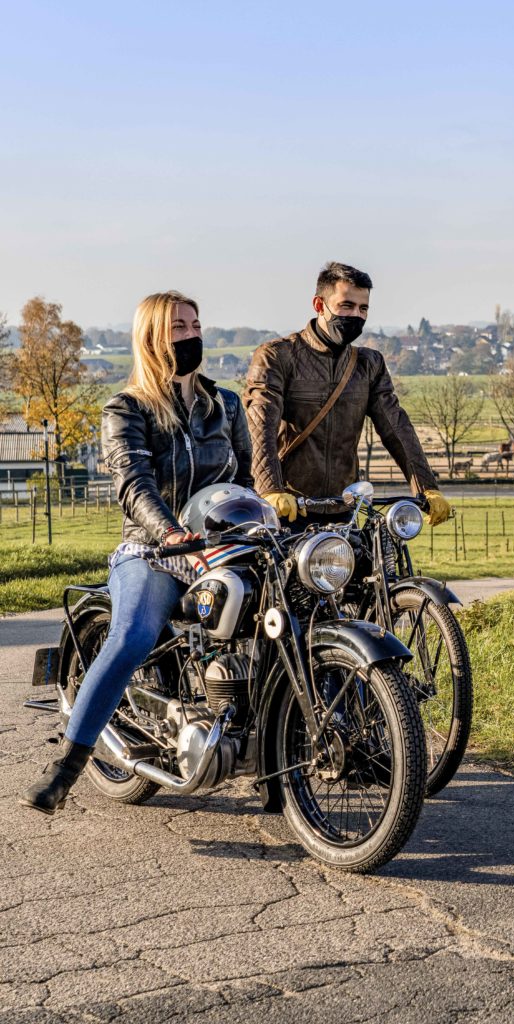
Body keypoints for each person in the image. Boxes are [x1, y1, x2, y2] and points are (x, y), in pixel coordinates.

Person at [19, 291, 252, 814]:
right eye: (178, 327)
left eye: (195, 325)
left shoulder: (228, 405)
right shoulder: (126, 408)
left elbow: (246, 479)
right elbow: (134, 483)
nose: (191, 335)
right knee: (132, 637)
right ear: (151, 337)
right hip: (152, 551)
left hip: (220, 549)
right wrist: (169, 533)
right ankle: (65, 768)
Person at [243, 262, 450, 525]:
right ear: (319, 305)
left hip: (344, 506)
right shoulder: (277, 356)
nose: (356, 315)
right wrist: (270, 489)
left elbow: (396, 428)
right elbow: (260, 426)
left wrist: (426, 486)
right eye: (346, 306)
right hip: (288, 507)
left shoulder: (368, 364)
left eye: (363, 308)